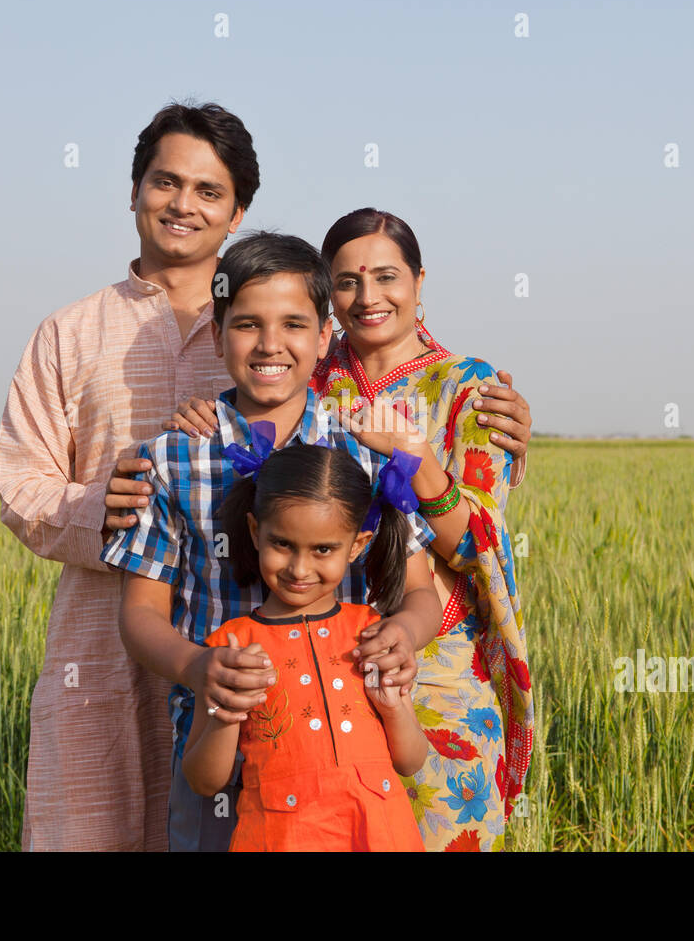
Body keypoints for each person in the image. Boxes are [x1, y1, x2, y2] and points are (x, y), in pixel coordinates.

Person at [146, 209, 535, 851]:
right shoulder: (322, 385)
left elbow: (474, 544)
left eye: (387, 276)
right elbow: (258, 390)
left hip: (425, 661)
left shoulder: (471, 388)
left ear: (419, 280)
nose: (368, 296)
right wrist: (199, 416)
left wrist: (414, 458)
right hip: (314, 678)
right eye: (347, 281)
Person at [99, 231, 443, 851]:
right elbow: (140, 614)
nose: (270, 345)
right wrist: (199, 666)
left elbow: (420, 593)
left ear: (323, 337)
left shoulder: (366, 455)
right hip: (218, 753)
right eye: (247, 324)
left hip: (348, 765)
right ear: (217, 332)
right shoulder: (172, 461)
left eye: (293, 324)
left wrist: (403, 635)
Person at [0, 101, 262, 850]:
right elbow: (20, 482)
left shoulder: (266, 330)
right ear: (134, 189)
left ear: (238, 212)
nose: (183, 204)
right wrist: (99, 503)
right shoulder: (68, 333)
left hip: (234, 644)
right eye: (165, 182)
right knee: (90, 829)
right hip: (98, 648)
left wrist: (485, 404)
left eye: (209, 191)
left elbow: (356, 411)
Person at [183, 442, 429, 851]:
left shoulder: (373, 635)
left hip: (381, 834)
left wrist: (394, 708)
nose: (299, 568)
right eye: (282, 544)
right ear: (254, 532)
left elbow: (410, 760)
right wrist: (226, 716)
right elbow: (203, 780)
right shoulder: (231, 647)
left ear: (357, 545)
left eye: (323, 550)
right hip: (280, 838)